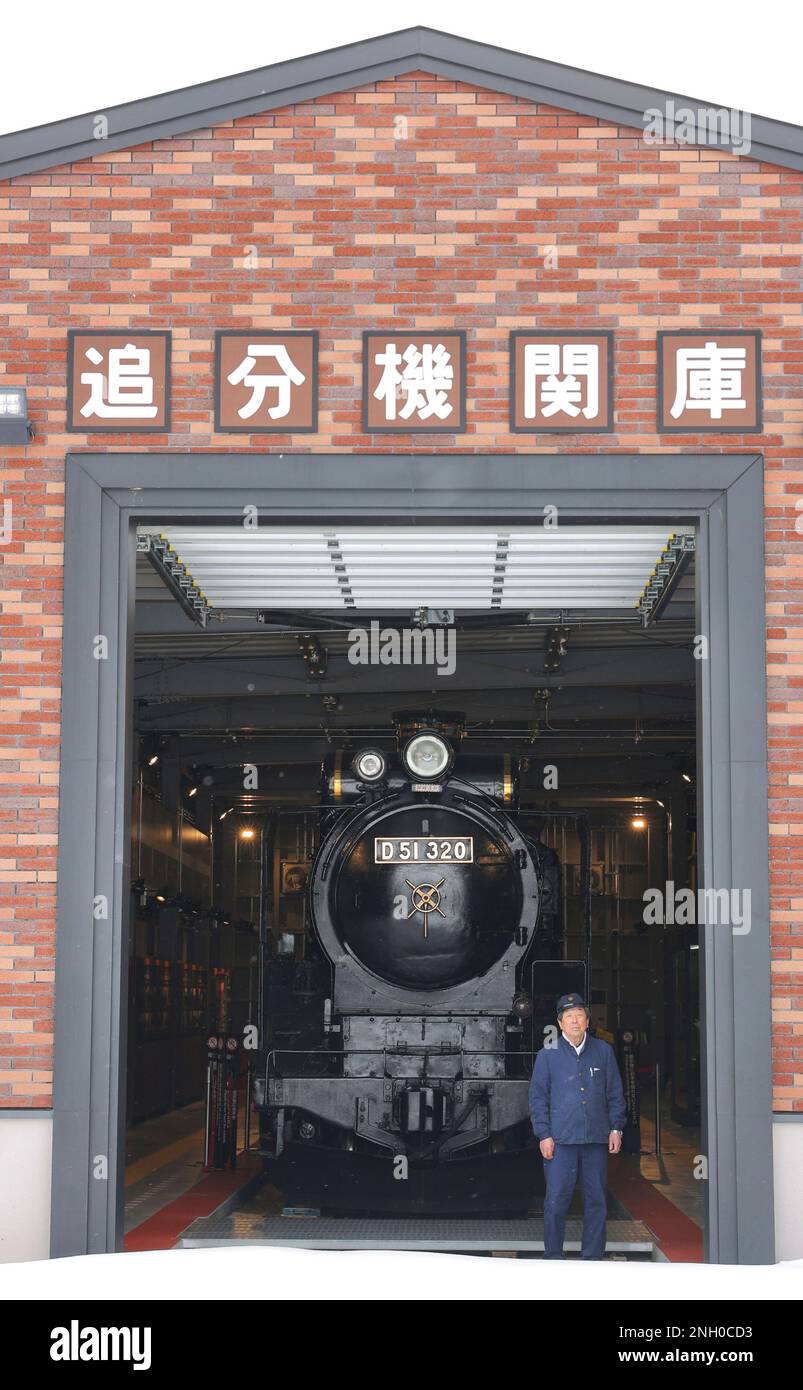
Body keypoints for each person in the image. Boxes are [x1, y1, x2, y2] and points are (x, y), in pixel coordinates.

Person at [528, 993, 627, 1260]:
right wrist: (544, 1134)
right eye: (569, 1016)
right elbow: (538, 1098)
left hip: (595, 1140)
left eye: (579, 1015)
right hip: (560, 1141)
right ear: (560, 1023)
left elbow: (615, 1094)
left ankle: (592, 1256)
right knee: (556, 1201)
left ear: (587, 1021)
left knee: (596, 1201)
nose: (574, 1020)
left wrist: (616, 1128)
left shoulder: (603, 1051)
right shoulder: (547, 1055)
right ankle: (553, 1256)